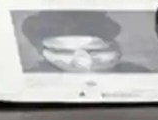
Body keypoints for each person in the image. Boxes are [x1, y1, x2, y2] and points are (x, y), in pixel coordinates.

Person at [19, 10, 150, 73]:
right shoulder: (31, 79)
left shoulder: (141, 76)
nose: (84, 62)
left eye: (96, 50)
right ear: (42, 53)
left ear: (117, 48)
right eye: (63, 52)